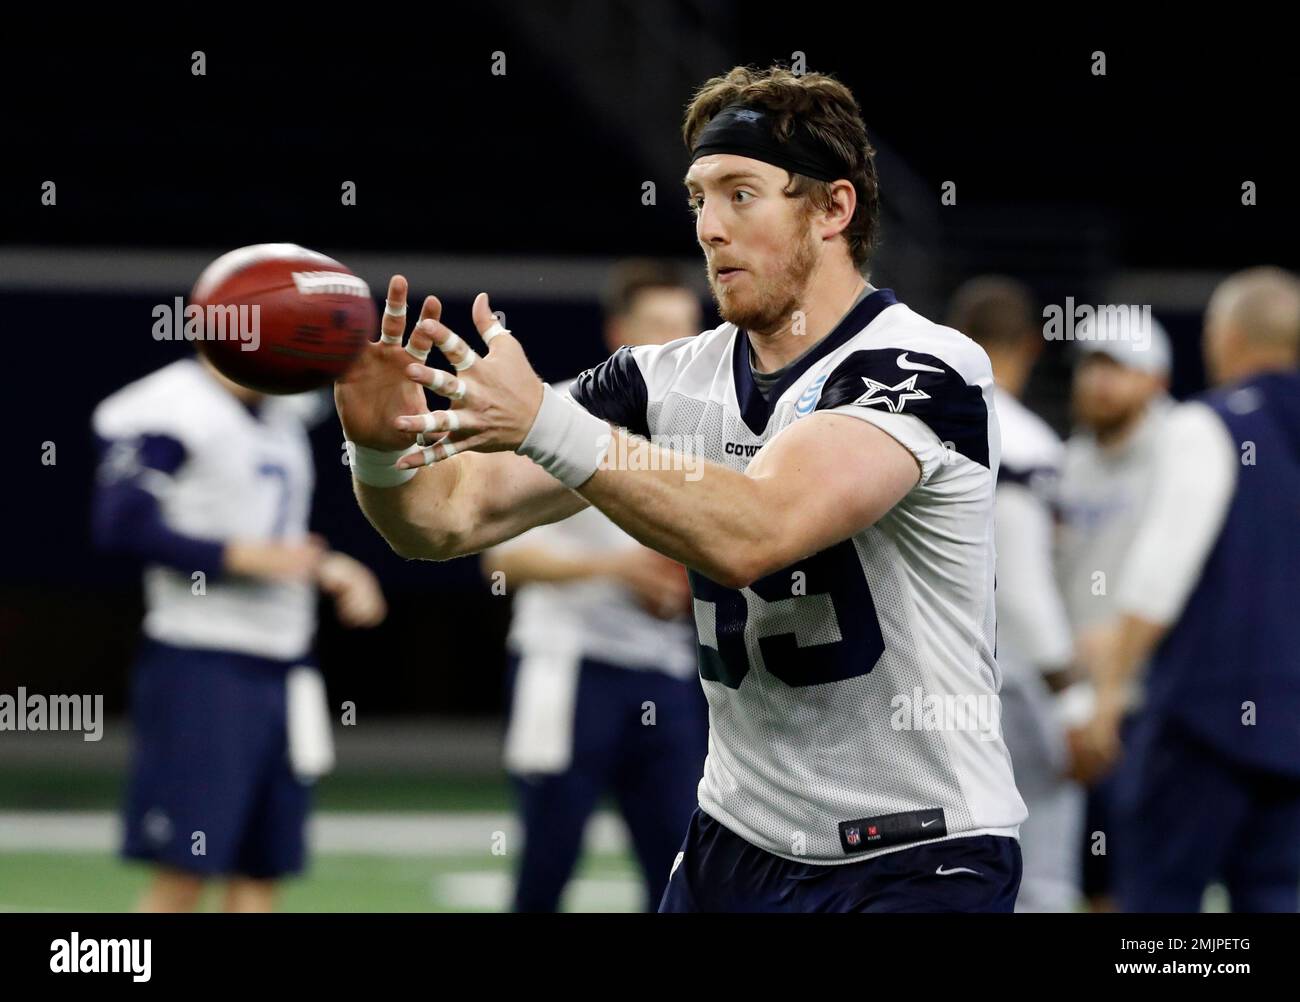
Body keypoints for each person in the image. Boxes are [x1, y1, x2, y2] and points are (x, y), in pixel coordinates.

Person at [337, 64, 1026, 912]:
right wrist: (379, 449)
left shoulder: (924, 364)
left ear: (833, 209)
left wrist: (547, 424)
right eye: (700, 198)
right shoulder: (662, 379)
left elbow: (758, 531)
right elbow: (446, 518)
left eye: (742, 194)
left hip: (916, 854)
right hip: (734, 844)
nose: (710, 227)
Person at [92, 306, 386, 912]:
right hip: (204, 662)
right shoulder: (175, 408)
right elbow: (121, 524)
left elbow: (271, 530)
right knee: (186, 871)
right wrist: (242, 558)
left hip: (282, 663)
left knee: (260, 872)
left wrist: (325, 567)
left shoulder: (280, 411)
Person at [482, 260, 706, 912]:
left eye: (686, 330)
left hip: (666, 670)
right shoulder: (562, 413)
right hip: (570, 663)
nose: (674, 346)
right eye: (657, 327)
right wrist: (618, 570)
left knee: (681, 867)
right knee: (548, 858)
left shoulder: (706, 424)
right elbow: (501, 562)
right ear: (619, 333)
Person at [1078, 267, 1300, 912]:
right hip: (1291, 728)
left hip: (1203, 718)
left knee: (1160, 911)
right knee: (1276, 898)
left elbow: (1161, 574)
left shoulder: (1209, 424)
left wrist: (1113, 688)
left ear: (1225, 337)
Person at [947, 276, 1086, 912]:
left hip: (923, 683)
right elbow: (1023, 589)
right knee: (1039, 879)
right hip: (1010, 682)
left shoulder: (915, 420)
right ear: (1030, 345)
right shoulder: (1023, 440)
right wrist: (1074, 696)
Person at [1054, 306, 1173, 910]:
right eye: (1092, 366)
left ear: (1156, 381)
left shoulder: (1184, 457)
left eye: (1119, 368)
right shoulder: (1067, 466)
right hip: (1075, 706)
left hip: (1154, 706)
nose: (1100, 381)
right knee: (1084, 884)